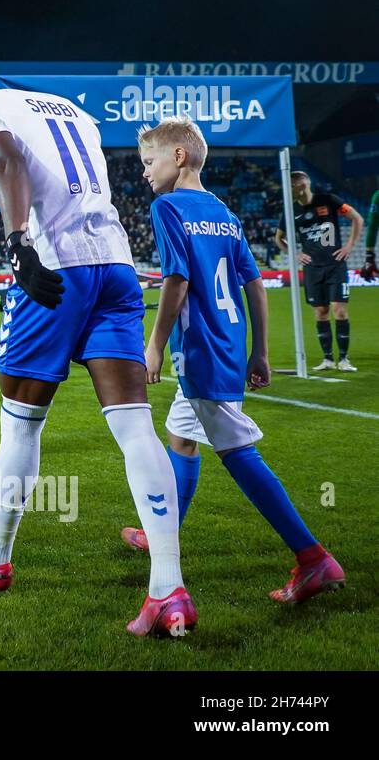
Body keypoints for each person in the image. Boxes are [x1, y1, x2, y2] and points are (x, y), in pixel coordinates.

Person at [0, 83, 193, 638]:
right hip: (116, 264)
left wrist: (17, 243)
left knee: (21, 421)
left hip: (54, 268)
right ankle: (169, 587)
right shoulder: (73, 109)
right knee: (135, 427)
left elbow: (4, 157)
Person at [124, 118, 345, 605]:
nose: (144, 173)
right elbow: (254, 284)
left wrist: (154, 343)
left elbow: (178, 282)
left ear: (177, 157)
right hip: (227, 342)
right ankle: (163, 536)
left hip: (201, 349)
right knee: (181, 436)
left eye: (149, 162)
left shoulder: (168, 207)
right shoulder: (223, 211)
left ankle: (313, 559)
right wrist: (260, 350)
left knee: (238, 451)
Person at [274, 171, 364, 371]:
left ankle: (344, 359)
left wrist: (349, 246)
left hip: (335, 265)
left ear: (301, 184)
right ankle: (328, 359)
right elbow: (278, 238)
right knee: (321, 313)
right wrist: (296, 253)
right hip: (312, 269)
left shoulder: (328, 200)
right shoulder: (291, 210)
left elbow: (357, 218)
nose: (287, 190)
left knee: (339, 311)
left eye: (290, 185)